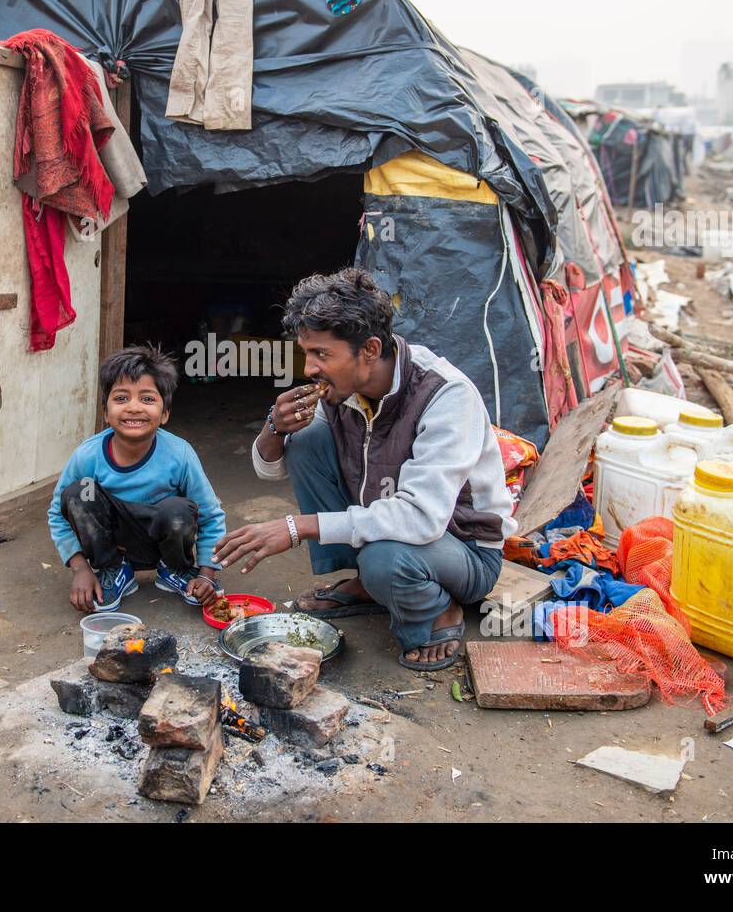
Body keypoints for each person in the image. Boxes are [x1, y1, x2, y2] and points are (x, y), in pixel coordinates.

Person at [213, 268, 516, 671]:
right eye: (308, 353)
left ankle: (437, 611)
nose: (310, 369)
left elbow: (422, 518)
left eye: (322, 354)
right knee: (305, 439)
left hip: (464, 550)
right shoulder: (344, 389)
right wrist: (275, 428)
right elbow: (278, 467)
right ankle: (368, 584)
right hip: (393, 529)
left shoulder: (445, 395)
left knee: (384, 560)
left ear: (370, 349)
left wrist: (296, 527)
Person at [49, 345, 226, 613]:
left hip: (164, 536)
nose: (133, 408)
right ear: (106, 413)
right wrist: (80, 568)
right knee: (78, 493)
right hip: (114, 542)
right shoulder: (88, 455)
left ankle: (174, 570)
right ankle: (115, 570)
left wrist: (206, 573)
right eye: (121, 399)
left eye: (147, 399)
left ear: (165, 413)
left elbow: (210, 515)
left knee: (178, 508)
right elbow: (57, 513)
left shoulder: (179, 454)